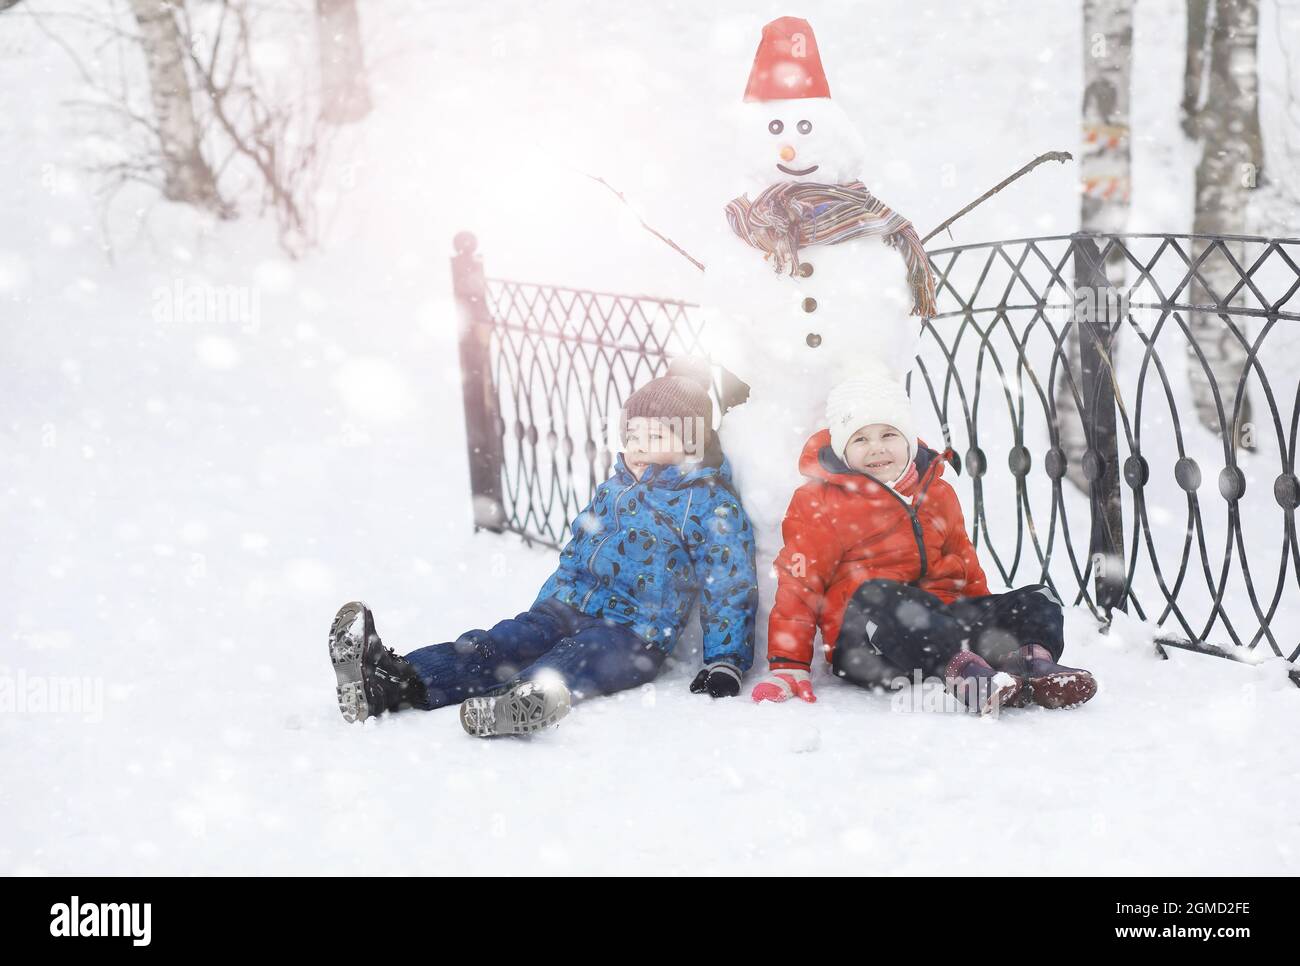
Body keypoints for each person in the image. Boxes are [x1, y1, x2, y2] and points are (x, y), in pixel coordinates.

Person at [328, 375, 759, 736]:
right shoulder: (616, 486)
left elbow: (729, 584)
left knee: (580, 654)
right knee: (499, 642)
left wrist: (726, 660)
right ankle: (391, 680)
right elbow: (578, 548)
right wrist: (548, 607)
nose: (639, 446)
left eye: (655, 435)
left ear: (689, 442)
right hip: (568, 604)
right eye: (632, 435)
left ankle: (517, 702)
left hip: (634, 632)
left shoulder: (705, 502)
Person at [751, 367, 1098, 714]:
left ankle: (1030, 667)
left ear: (908, 439)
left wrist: (993, 624)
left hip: (942, 622)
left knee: (1039, 598)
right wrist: (788, 664)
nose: (876, 448)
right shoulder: (823, 502)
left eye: (888, 434)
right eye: (860, 439)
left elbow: (965, 565)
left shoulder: (937, 493)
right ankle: (966, 674)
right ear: (843, 451)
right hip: (867, 643)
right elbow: (800, 584)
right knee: (879, 595)